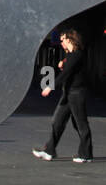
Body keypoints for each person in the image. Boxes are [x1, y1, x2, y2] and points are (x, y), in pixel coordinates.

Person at [33, 29, 93, 163]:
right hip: (68, 94)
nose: (61, 43)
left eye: (63, 40)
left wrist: (50, 86)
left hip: (77, 94)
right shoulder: (71, 56)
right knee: (57, 121)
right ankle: (49, 151)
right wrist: (63, 63)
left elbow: (66, 73)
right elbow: (68, 67)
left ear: (70, 40)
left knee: (80, 124)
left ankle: (86, 154)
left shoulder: (77, 55)